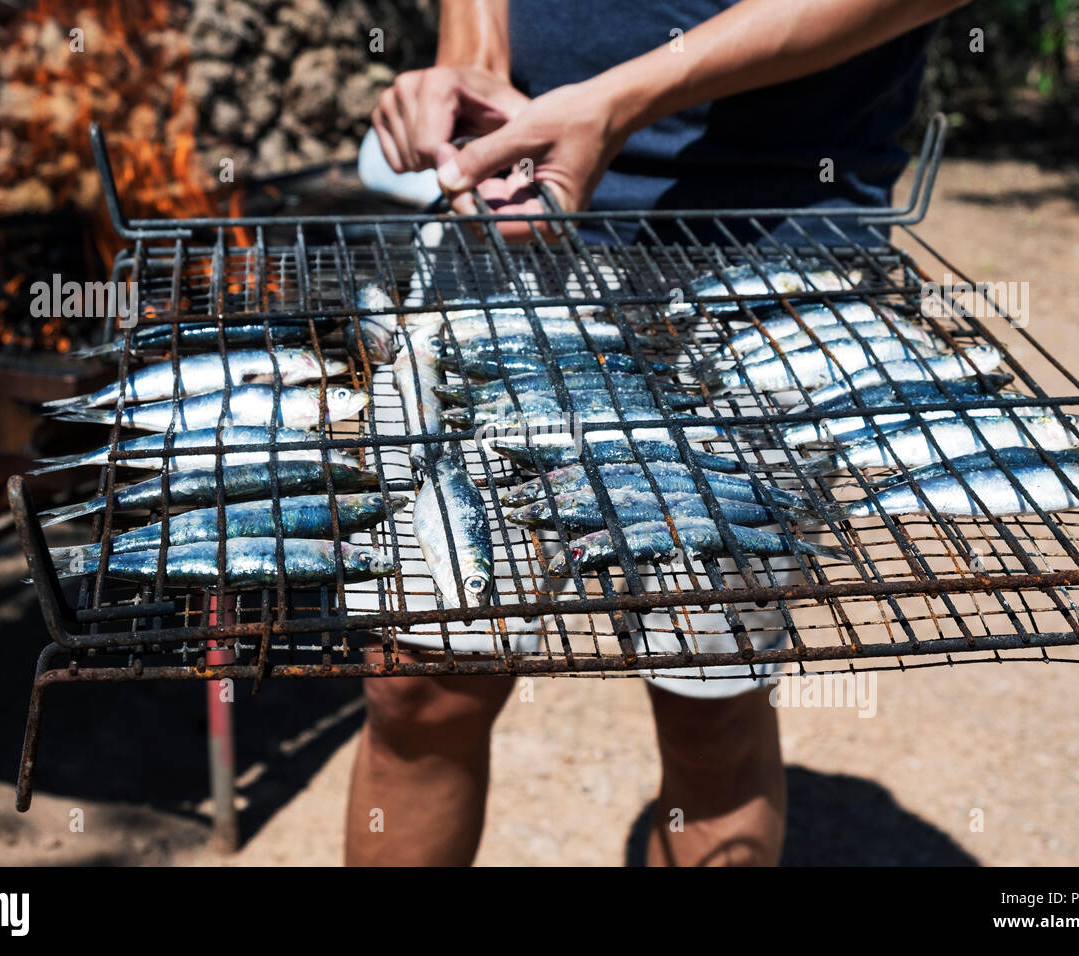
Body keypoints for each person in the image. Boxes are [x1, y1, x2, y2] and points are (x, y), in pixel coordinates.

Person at [348, 0, 966, 866]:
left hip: (760, 259)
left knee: (708, 708)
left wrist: (622, 99)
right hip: (502, 230)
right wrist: (477, 65)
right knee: (418, 690)